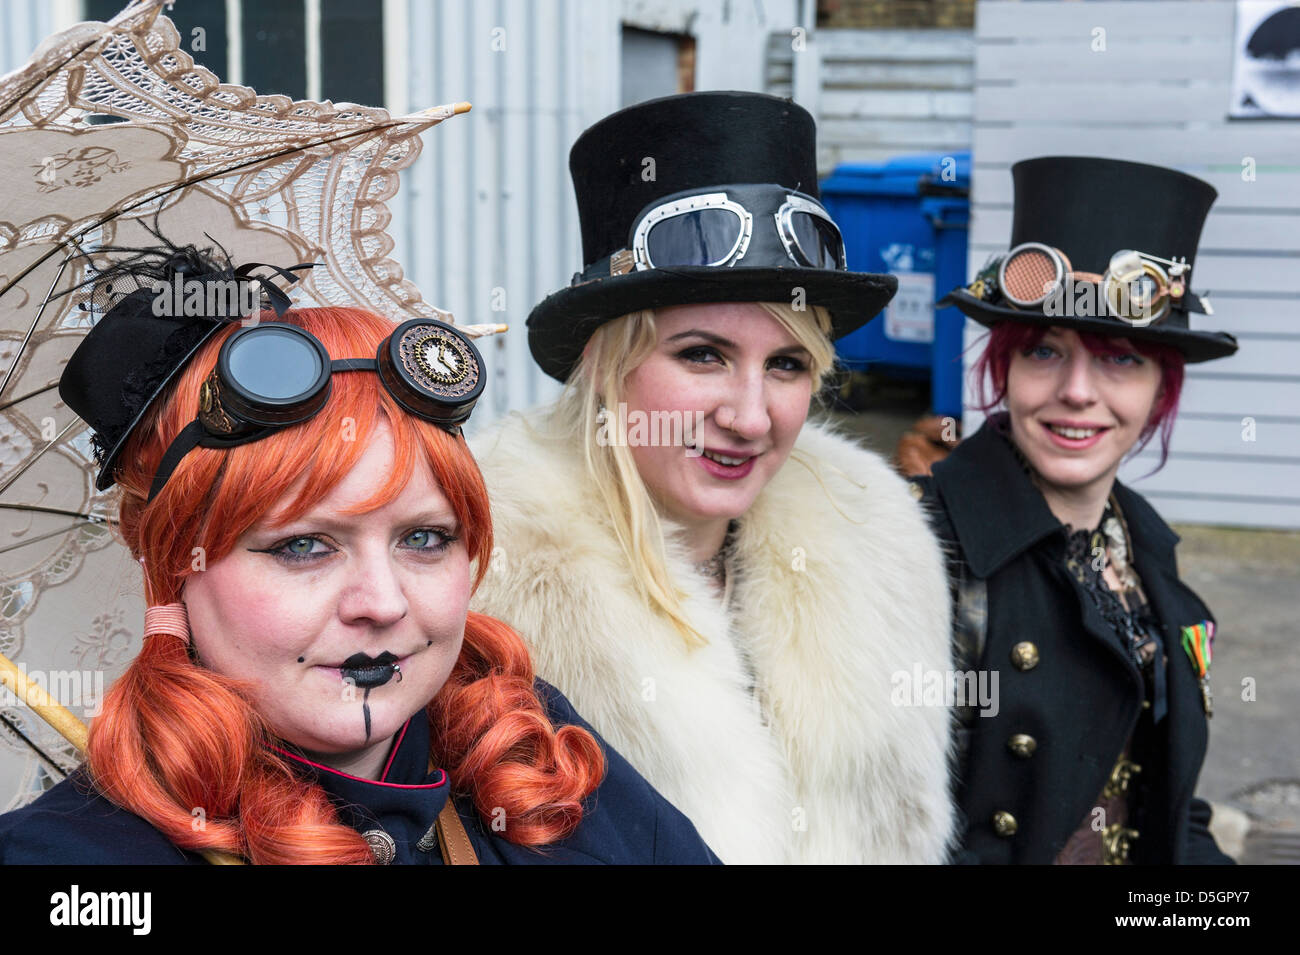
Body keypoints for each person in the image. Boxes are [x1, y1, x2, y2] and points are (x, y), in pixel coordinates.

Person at [0, 248, 719, 864]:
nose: (382, 601)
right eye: (304, 546)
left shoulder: (535, 758)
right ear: (171, 565)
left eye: (424, 538)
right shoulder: (69, 858)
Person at [468, 91, 955, 864]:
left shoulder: (881, 540)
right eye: (703, 354)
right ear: (603, 361)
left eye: (788, 364)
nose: (752, 417)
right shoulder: (477, 584)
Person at [919, 156, 1238, 864]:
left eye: (1120, 359)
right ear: (1003, 367)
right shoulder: (920, 549)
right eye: (1043, 351)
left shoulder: (1143, 550)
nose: (1076, 391)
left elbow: (1171, 805)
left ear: (1161, 389)